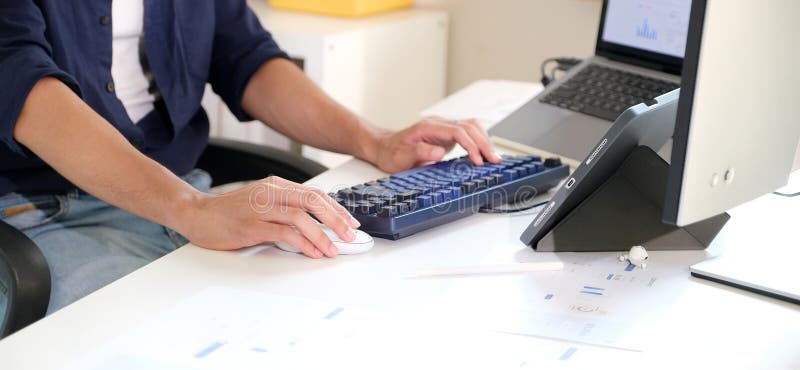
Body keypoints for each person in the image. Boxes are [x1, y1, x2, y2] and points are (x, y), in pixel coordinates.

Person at [0, 0, 501, 313]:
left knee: (327, 304)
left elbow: (246, 56)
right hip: (41, 215)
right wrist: (192, 210)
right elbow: (24, 91)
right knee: (166, 335)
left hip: (182, 192)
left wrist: (375, 142)